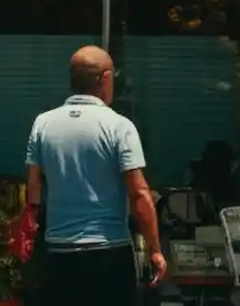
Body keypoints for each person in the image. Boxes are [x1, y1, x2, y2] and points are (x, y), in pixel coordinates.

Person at [23, 45, 166, 306]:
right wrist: (155, 249)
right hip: (108, 253)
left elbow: (33, 188)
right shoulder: (119, 126)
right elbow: (139, 194)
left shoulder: (42, 124)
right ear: (106, 78)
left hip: (58, 252)